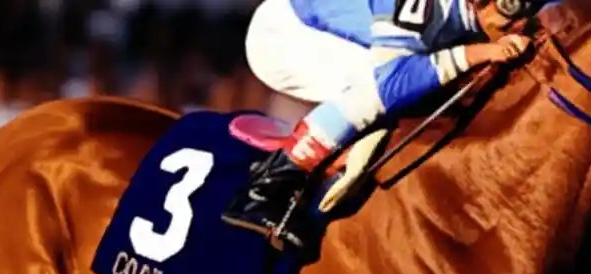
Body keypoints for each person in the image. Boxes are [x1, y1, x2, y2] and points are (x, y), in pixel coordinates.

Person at [223, 0, 536, 249]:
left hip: (375, 39)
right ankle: (265, 190)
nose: (518, 23)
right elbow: (391, 82)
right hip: (291, 35)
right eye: (512, 8)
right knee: (378, 91)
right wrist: (481, 52)